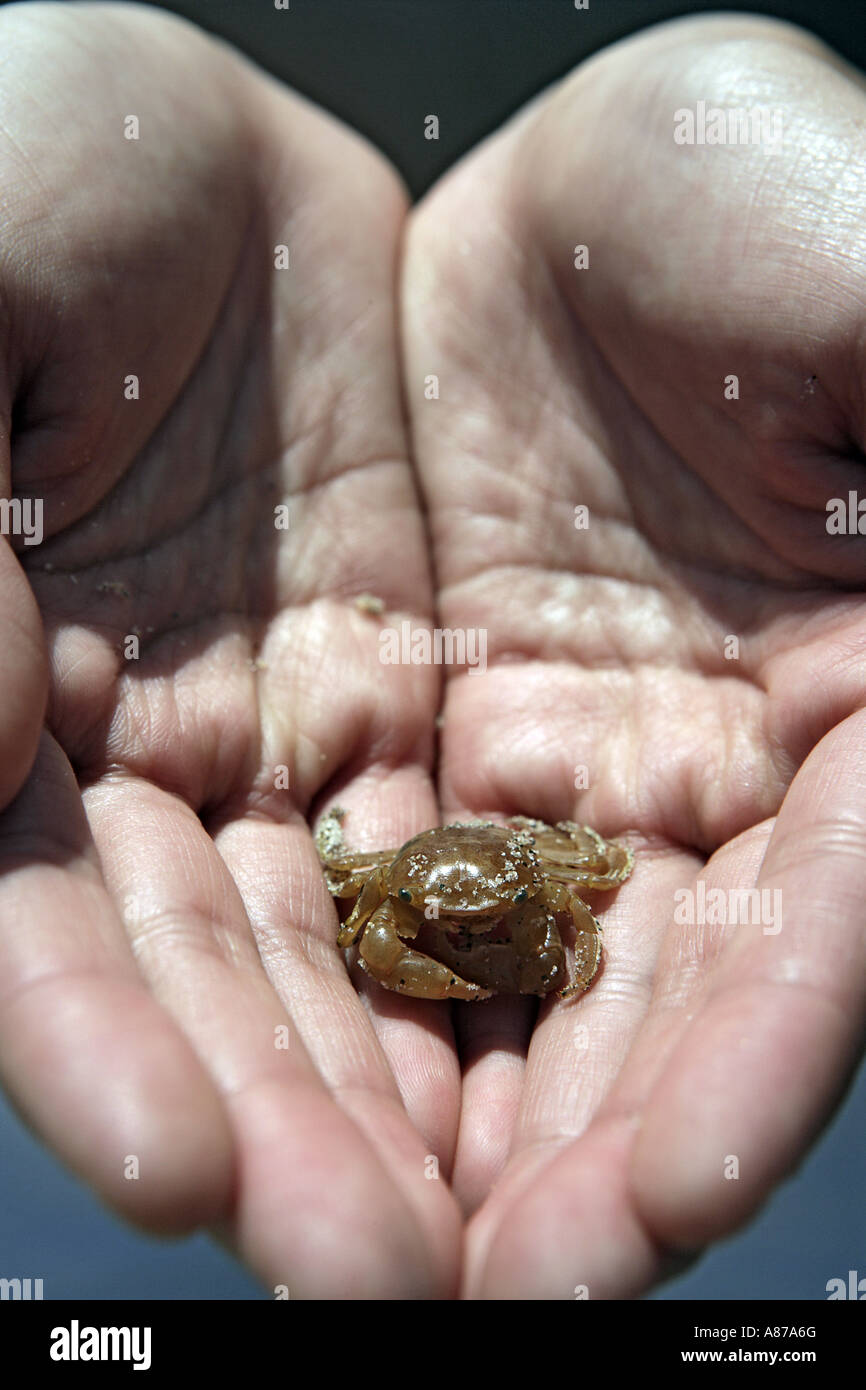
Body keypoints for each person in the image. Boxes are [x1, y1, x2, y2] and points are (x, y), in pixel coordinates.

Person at [0, 3, 862, 1299]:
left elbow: (577, 911)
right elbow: (353, 897)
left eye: (477, 915)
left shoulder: (534, 872)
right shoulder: (397, 899)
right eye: (448, 920)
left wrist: (541, 943)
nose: (460, 931)